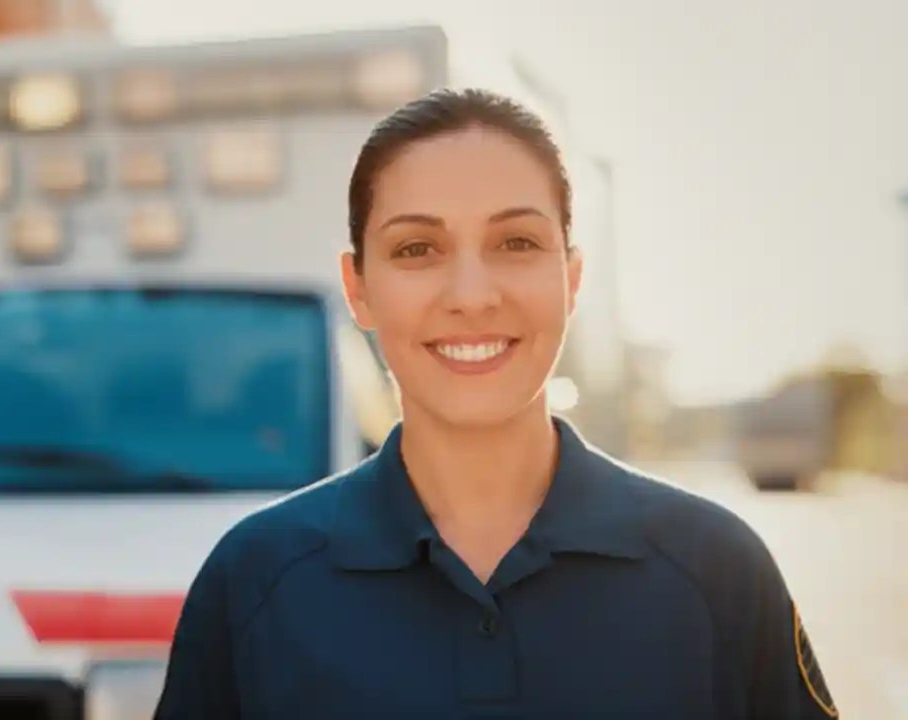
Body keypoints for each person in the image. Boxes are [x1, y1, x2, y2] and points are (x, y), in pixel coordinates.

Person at [153, 88, 838, 719]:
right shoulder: (254, 580)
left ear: (571, 280)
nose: (472, 295)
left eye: (516, 243)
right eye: (417, 248)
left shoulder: (717, 570)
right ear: (358, 287)